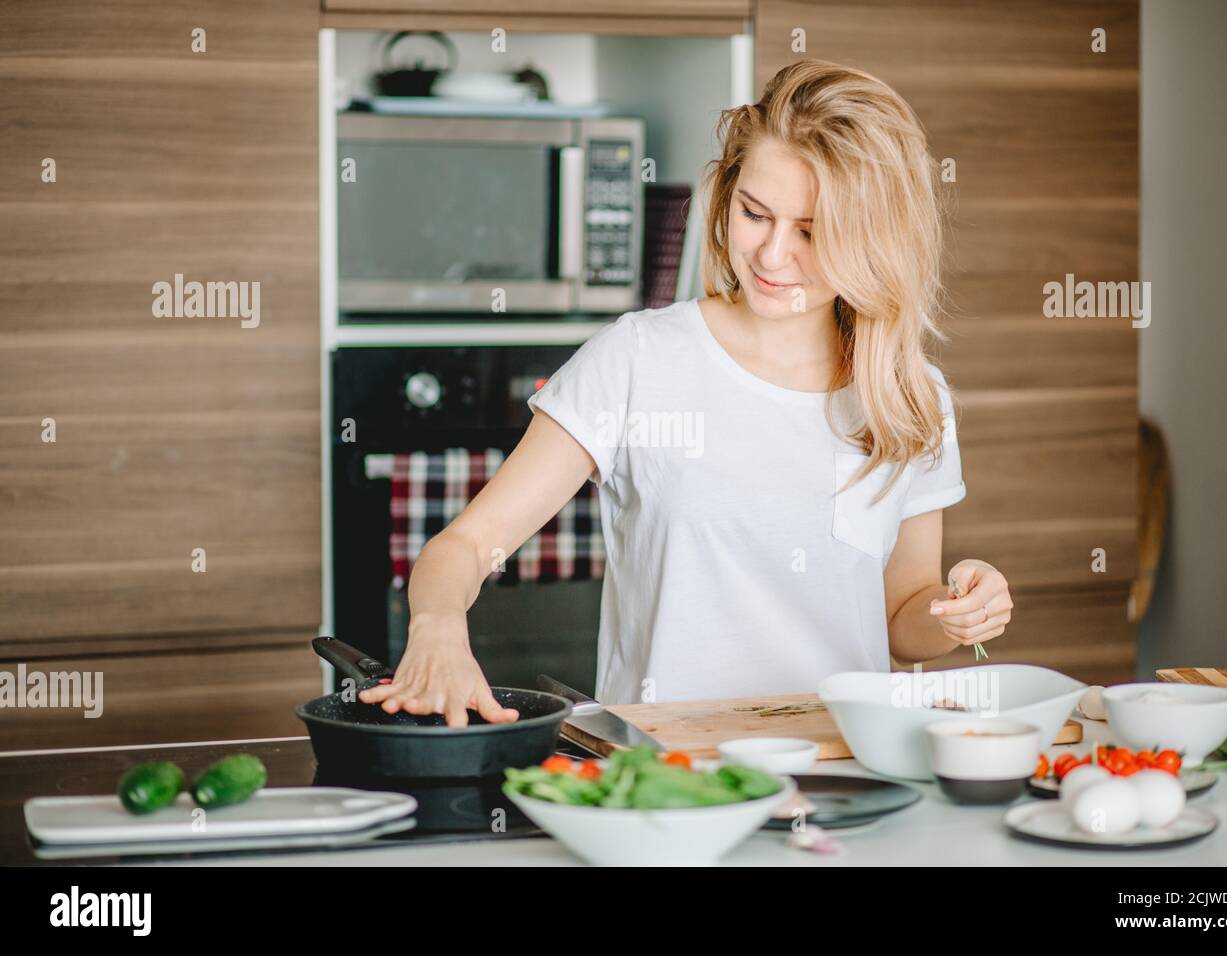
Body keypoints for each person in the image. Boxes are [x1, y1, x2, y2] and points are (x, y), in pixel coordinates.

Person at [360, 58, 1013, 726]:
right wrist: (437, 626)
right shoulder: (638, 359)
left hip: (848, 771)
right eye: (755, 213)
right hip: (671, 776)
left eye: (814, 233)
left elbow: (901, 620)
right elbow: (466, 548)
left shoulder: (909, 394)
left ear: (876, 241)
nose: (772, 254)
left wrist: (958, 613)